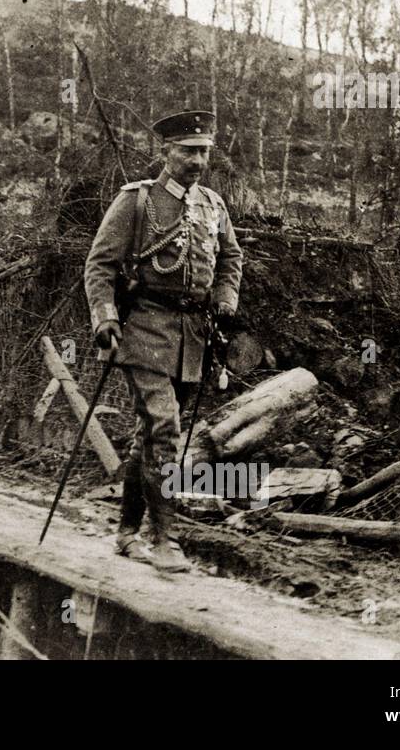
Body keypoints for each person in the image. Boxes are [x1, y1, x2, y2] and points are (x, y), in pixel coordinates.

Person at [84, 110, 243, 574]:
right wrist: (105, 317)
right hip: (144, 331)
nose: (198, 160)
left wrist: (226, 299)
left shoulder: (213, 205)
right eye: (188, 151)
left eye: (205, 152)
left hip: (193, 338)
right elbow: (99, 265)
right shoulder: (137, 202)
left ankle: (126, 533)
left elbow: (231, 256)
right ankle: (165, 540)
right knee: (165, 429)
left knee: (148, 438)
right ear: (165, 152)